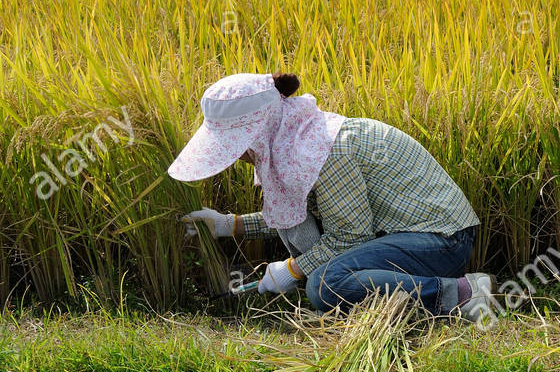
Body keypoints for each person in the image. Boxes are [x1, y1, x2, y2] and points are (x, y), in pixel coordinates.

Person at [169, 72, 493, 321]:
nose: (238, 158)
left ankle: (464, 294)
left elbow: (350, 235)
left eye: (236, 147)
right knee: (323, 278)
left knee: (324, 285)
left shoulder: (325, 149)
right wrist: (230, 225)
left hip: (442, 240)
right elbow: (297, 212)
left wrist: (293, 269)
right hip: (408, 237)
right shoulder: (299, 143)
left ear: (258, 133)